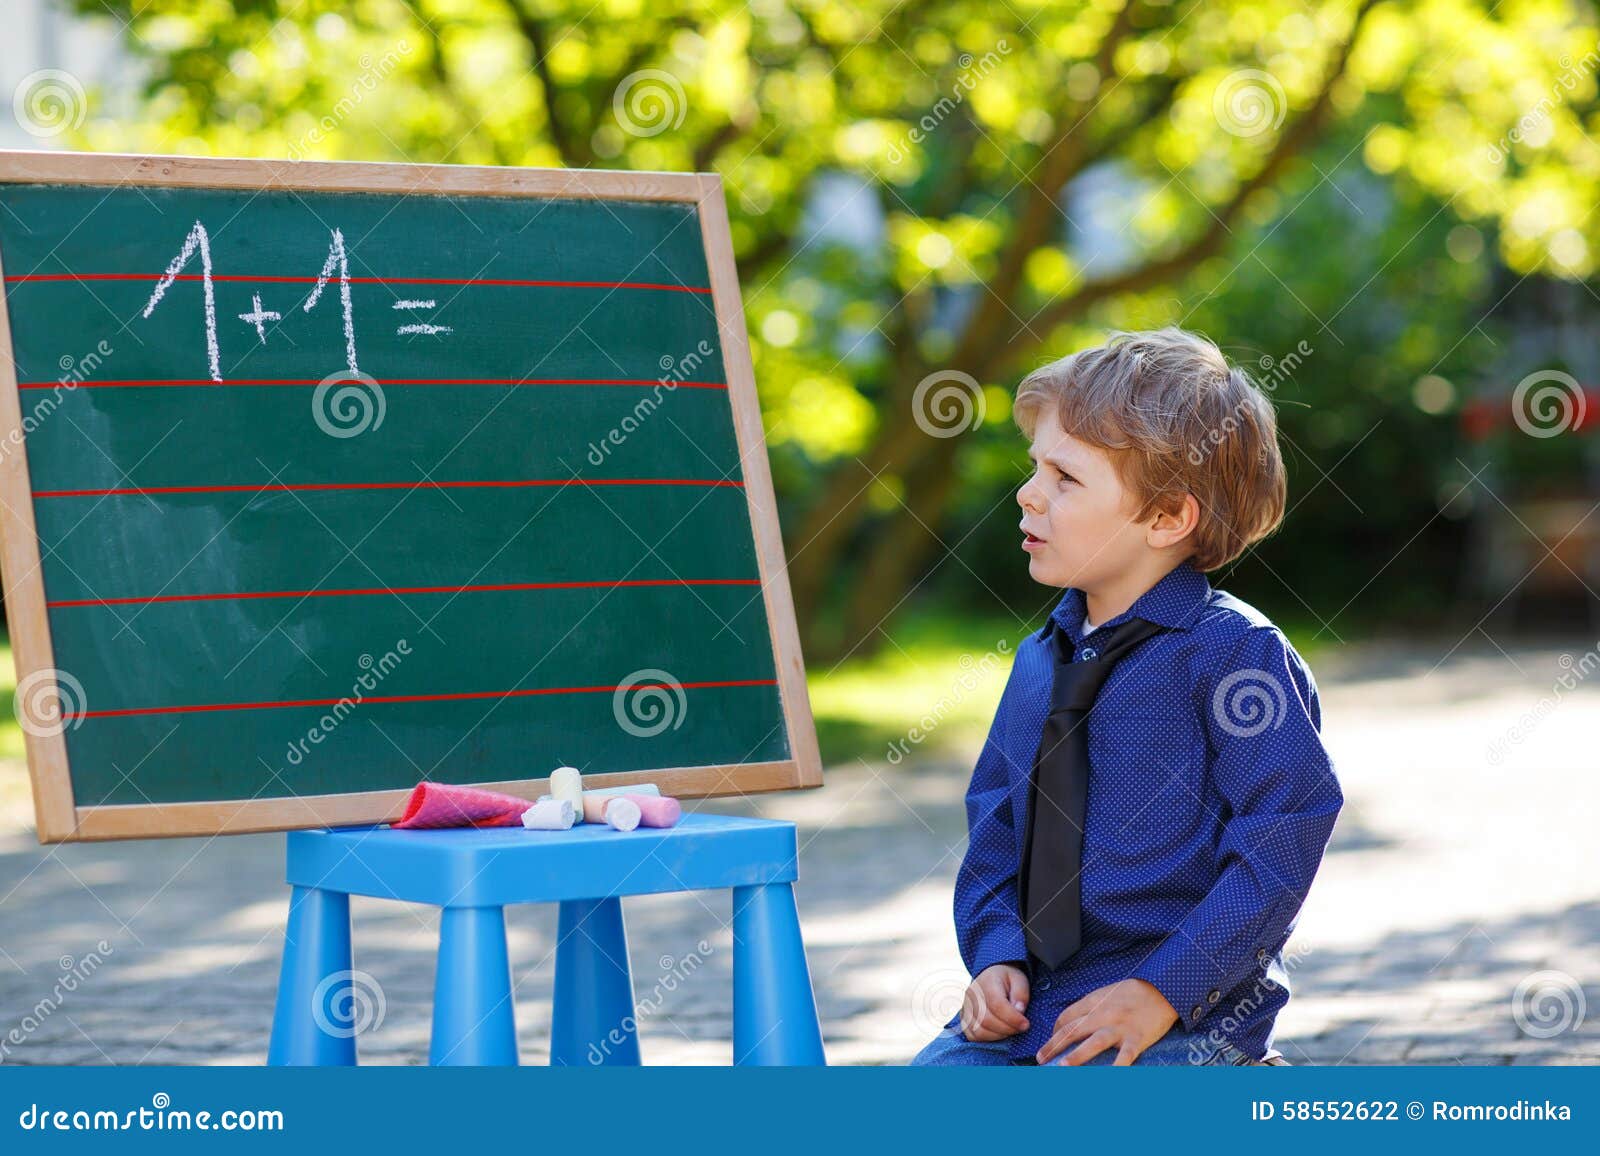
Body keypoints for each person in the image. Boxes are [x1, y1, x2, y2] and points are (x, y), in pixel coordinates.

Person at [911, 328, 1342, 1067]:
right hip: (1035, 1012)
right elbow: (995, 821)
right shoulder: (1039, 659)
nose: (1028, 492)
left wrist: (1161, 990)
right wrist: (996, 957)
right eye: (1035, 466)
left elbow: (1285, 833)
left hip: (1189, 1018)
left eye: (1065, 478)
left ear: (1167, 517)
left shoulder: (1235, 655)